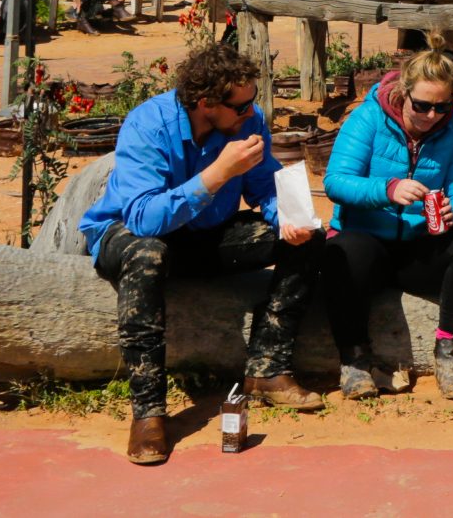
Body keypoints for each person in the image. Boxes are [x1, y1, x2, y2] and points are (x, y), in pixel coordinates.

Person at [79, 41, 324, 465]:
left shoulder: (249, 121)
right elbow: (142, 218)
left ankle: (267, 367)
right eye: (242, 107)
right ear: (207, 102)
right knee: (149, 253)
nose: (252, 114)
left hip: (205, 237)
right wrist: (217, 174)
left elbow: (264, 185)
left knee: (309, 238)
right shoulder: (148, 125)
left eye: (252, 105)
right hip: (129, 234)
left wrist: (287, 217)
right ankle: (148, 411)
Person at [321, 50, 453, 401]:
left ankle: (449, 351)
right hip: (368, 245)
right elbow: (335, 182)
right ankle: (354, 359)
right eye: (423, 105)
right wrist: (388, 189)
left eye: (443, 106)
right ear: (404, 92)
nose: (433, 115)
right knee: (343, 250)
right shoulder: (367, 119)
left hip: (418, 247)